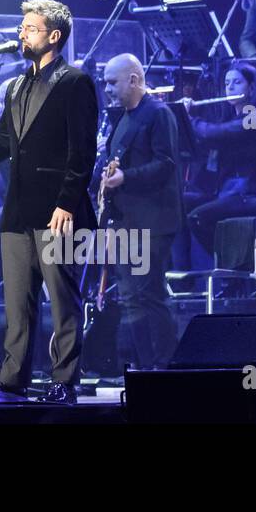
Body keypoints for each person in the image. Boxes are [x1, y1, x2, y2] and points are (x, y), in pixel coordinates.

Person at [0, 0, 97, 403]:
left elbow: (82, 151)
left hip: (58, 212)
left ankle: (64, 380)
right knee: (17, 304)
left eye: (30, 28)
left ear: (54, 36)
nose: (22, 33)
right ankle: (12, 378)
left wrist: (67, 203)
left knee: (63, 301)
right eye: (22, 27)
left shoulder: (74, 82)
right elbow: (2, 142)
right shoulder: (16, 85)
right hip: (17, 211)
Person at [98, 54, 181, 371]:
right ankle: (147, 368)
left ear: (133, 79)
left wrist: (126, 178)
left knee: (148, 295)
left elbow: (166, 164)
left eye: (112, 82)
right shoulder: (123, 119)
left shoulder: (158, 114)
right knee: (132, 298)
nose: (107, 89)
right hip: (126, 221)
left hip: (154, 221)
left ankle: (164, 366)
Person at [180, 61, 256, 263]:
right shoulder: (231, 118)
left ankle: (233, 268)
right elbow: (212, 138)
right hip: (226, 193)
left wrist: (189, 118)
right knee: (177, 203)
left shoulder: (253, 117)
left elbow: (215, 134)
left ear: (251, 88)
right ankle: (183, 277)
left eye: (237, 82)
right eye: (227, 82)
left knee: (198, 217)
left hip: (250, 195)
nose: (230, 88)